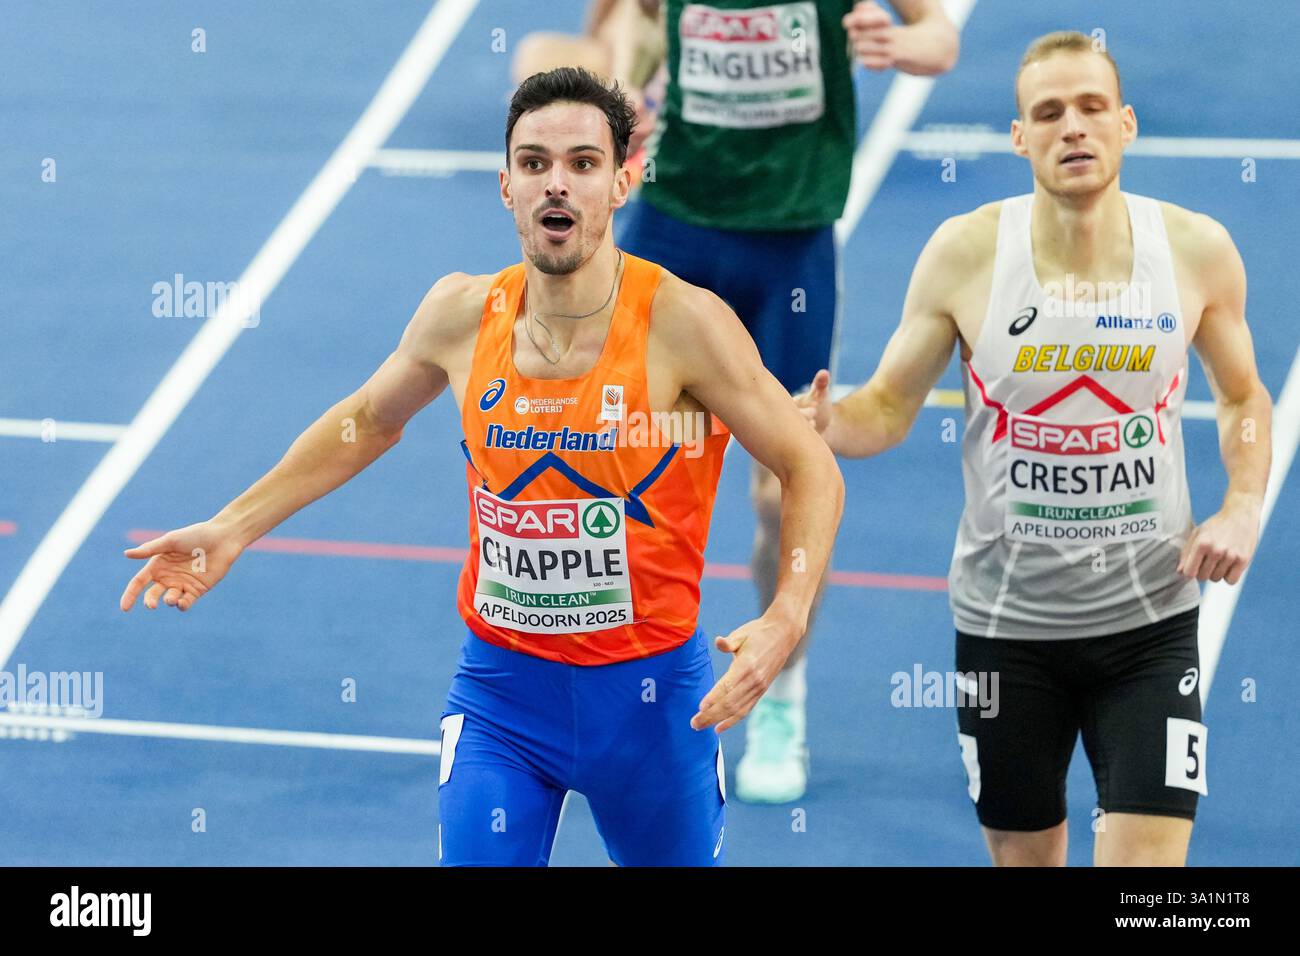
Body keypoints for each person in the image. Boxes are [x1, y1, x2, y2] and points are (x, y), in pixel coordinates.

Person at [119, 68, 843, 866]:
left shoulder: (684, 324)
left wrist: (787, 614)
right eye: (533, 164)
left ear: (623, 182)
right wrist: (231, 527)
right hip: (504, 698)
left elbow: (810, 465)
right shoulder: (462, 314)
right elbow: (365, 423)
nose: (555, 184)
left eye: (582, 163)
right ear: (506, 186)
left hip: (651, 706)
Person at [797, 31, 1272, 865]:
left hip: (1150, 626)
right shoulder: (966, 254)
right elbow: (885, 409)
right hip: (1005, 631)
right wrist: (822, 424)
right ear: (1019, 137)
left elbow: (1243, 396)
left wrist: (1240, 504)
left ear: (1126, 124)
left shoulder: (1194, 251)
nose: (1073, 128)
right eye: (1048, 113)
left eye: (1091, 108)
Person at [612, 0, 959, 805]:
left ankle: (780, 696)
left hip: (789, 249)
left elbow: (939, 36)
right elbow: (628, 20)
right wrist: (628, 85)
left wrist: (901, 42)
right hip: (672, 225)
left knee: (779, 493)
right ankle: (621, 680)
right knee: (619, 461)